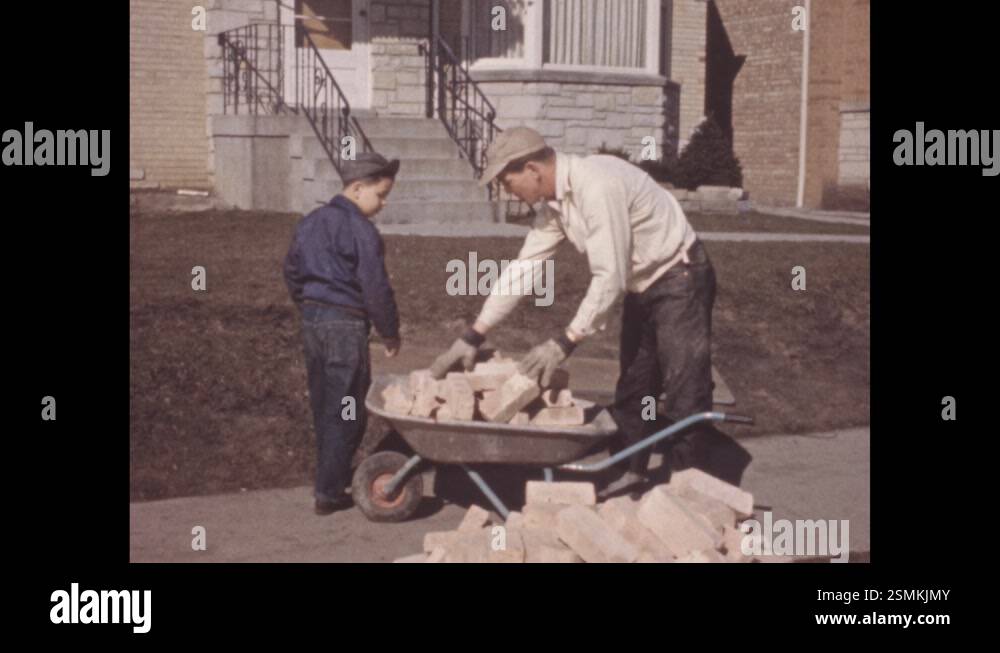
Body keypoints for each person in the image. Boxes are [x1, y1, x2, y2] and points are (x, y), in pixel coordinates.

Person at [429, 128, 750, 495]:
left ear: (533, 169)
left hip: (681, 277)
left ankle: (689, 492)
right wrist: (474, 334)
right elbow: (524, 270)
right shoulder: (554, 205)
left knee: (684, 387)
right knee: (636, 388)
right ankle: (630, 473)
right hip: (641, 284)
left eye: (507, 180)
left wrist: (564, 342)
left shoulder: (596, 186)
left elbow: (608, 277)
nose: (506, 189)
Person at [283, 152, 402, 515]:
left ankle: (327, 477)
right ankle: (330, 491)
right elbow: (375, 286)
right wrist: (390, 331)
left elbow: (291, 271)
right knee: (348, 409)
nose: (382, 204)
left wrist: (308, 306)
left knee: (325, 404)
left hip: (314, 324)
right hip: (346, 327)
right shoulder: (361, 230)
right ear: (357, 188)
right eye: (380, 195)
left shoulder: (310, 222)